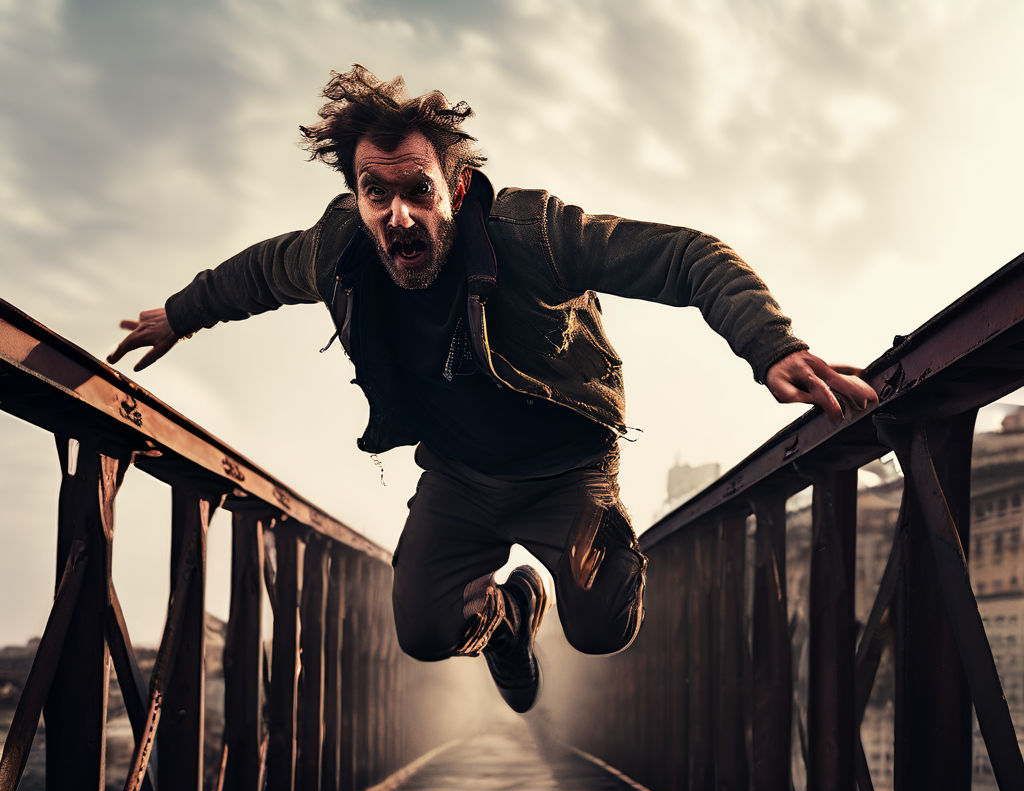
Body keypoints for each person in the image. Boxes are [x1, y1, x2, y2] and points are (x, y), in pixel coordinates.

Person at [109, 66, 877, 714]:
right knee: (422, 630)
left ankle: (597, 556)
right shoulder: (336, 251)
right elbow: (253, 276)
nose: (398, 213)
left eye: (418, 189)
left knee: (605, 629)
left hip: (569, 472)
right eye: (376, 194)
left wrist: (772, 347)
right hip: (460, 478)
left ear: (458, 186)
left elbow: (687, 257)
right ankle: (510, 615)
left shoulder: (532, 233)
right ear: (356, 197)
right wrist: (179, 315)